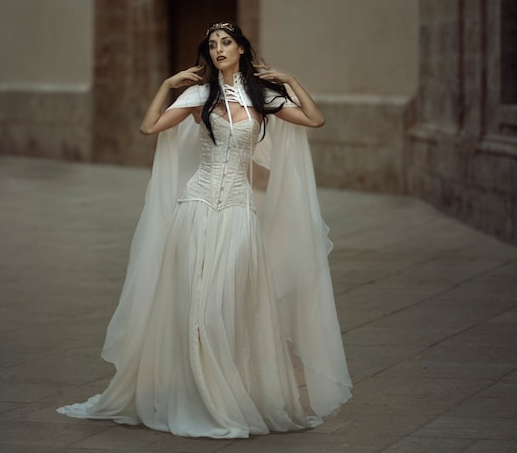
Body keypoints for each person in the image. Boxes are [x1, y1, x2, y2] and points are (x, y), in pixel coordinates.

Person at [57, 22, 351, 439]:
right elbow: (149, 128)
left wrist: (291, 80)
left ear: (242, 48)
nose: (218, 49)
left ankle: (228, 393)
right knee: (194, 301)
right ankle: (196, 394)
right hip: (195, 206)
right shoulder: (198, 95)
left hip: (238, 210)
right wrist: (167, 85)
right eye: (212, 45)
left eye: (226, 42)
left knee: (227, 300)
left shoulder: (262, 96)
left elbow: (314, 120)